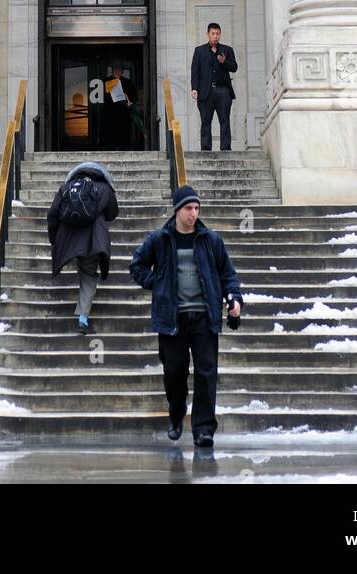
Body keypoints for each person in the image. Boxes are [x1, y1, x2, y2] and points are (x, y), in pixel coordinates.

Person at [130, 185, 242, 447]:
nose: (194, 213)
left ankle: (203, 429)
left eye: (197, 208)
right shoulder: (159, 239)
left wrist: (235, 298)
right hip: (172, 319)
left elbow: (228, 274)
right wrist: (156, 282)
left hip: (204, 316)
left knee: (206, 373)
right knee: (174, 372)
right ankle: (177, 414)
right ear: (178, 210)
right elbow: (136, 265)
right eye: (189, 208)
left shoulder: (210, 240)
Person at [47, 161, 119, 334]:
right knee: (88, 274)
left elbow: (52, 215)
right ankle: (83, 318)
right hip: (94, 239)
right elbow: (112, 213)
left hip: (69, 239)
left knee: (83, 266)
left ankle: (82, 309)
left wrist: (54, 240)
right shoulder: (104, 188)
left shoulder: (66, 188)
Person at [190, 21, 238, 151]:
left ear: (220, 34)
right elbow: (195, 70)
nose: (215, 36)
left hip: (223, 90)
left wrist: (224, 62)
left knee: (224, 120)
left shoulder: (227, 50)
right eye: (213, 34)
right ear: (207, 34)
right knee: (205, 121)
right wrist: (194, 88)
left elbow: (234, 67)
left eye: (217, 34)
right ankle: (206, 148)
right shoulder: (199, 51)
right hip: (205, 91)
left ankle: (226, 147)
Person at [102, 59, 140, 149]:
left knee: (123, 137)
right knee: (110, 137)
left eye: (119, 69)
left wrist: (130, 102)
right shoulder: (106, 81)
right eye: (115, 69)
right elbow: (103, 98)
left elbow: (134, 97)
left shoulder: (128, 83)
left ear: (122, 71)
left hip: (123, 113)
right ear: (112, 70)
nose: (117, 71)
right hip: (110, 114)